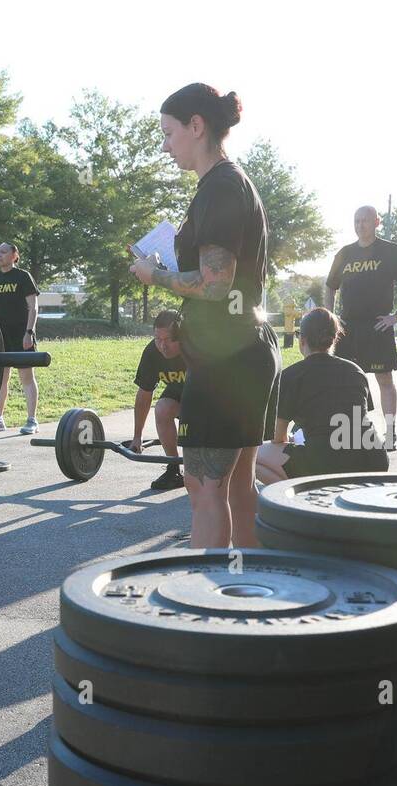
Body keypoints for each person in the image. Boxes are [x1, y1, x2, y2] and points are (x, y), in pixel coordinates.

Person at [129, 83, 279, 548]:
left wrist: (155, 277)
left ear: (197, 126)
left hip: (225, 359)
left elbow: (215, 283)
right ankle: (250, 594)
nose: (164, 145)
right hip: (246, 349)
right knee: (236, 485)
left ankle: (201, 607)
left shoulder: (220, 187)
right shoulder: (229, 184)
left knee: (204, 488)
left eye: (169, 133)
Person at [324, 207, 397, 451]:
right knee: (347, 381)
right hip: (347, 328)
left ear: (377, 222)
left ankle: (390, 433)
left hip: (378, 326)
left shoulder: (390, 251)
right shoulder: (345, 253)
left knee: (384, 380)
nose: (360, 225)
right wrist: (330, 317)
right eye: (356, 220)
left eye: (365, 220)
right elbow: (330, 287)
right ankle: (349, 432)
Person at [256, 308, 388, 485]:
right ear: (335, 339)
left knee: (253, 457)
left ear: (302, 340)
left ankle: (297, 496)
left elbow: (278, 437)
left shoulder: (292, 375)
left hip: (328, 461)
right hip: (372, 458)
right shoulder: (355, 370)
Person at [0, 242, 41, 434]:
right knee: (1, 379)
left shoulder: (23, 277)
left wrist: (29, 332)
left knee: (26, 378)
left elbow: (34, 307)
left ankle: (32, 420)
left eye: (3, 252)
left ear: (15, 255)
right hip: (0, 337)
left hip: (22, 335)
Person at [123, 309, 187, 492]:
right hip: (179, 395)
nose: (162, 346)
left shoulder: (196, 349)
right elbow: (144, 395)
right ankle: (174, 468)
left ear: (182, 336)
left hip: (208, 399)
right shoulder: (152, 352)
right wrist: (137, 437)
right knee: (162, 408)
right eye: (158, 339)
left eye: (168, 340)